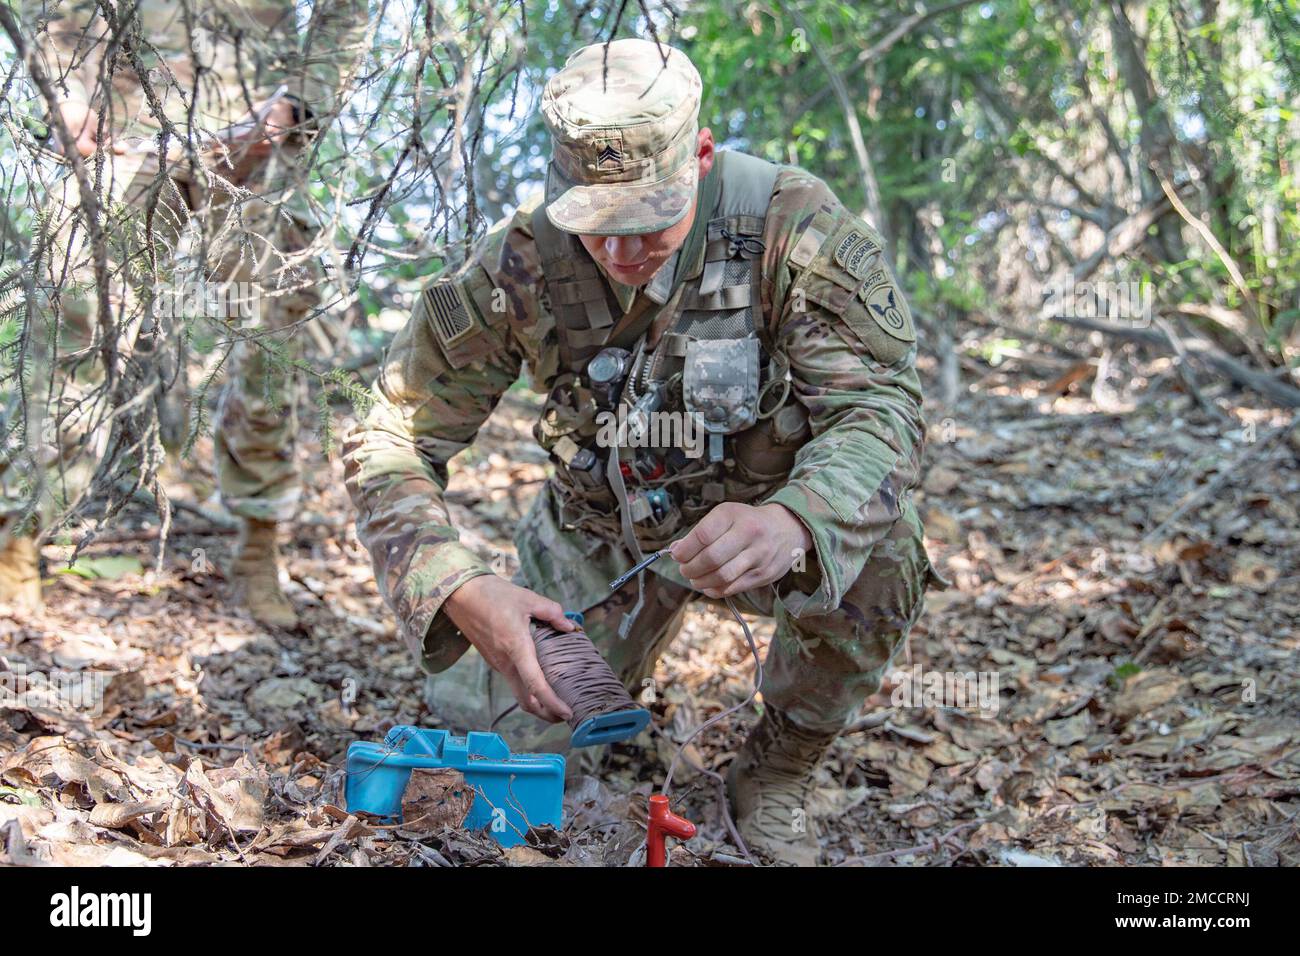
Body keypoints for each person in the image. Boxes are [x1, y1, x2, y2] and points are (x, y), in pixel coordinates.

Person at [343, 38, 942, 865]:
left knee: (884, 549)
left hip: (764, 531)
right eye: (597, 224)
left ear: (699, 157)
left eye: (648, 221)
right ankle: (604, 707)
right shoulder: (523, 259)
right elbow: (389, 435)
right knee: (499, 761)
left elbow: (881, 407)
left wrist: (800, 519)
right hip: (602, 538)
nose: (622, 254)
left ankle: (780, 767)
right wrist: (460, 587)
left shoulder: (789, 226)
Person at [0, 0, 367, 627]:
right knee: (74, 329)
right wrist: (63, 88)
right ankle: (17, 536)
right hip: (122, 126)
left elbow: (345, 13)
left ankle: (258, 547)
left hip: (258, 128)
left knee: (271, 345)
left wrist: (294, 107)